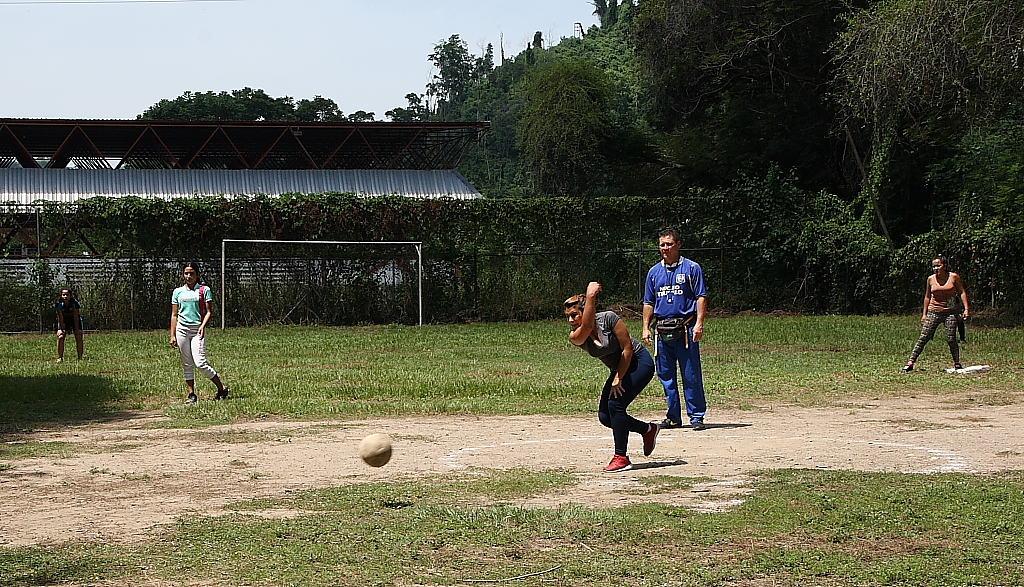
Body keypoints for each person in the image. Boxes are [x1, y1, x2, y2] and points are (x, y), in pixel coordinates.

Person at [565, 281, 660, 473]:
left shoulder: (608, 318)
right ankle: (648, 430)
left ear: (586, 311)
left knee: (615, 405)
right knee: (605, 416)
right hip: (619, 368)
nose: (571, 320)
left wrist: (619, 377)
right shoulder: (576, 336)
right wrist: (591, 296)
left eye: (574, 315)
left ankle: (621, 457)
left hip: (639, 361)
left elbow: (628, 349)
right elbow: (587, 326)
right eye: (567, 317)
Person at [642, 228, 708, 430]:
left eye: (669, 244)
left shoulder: (692, 268)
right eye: (662, 244)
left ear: (678, 244)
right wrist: (645, 327)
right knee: (666, 376)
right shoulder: (653, 273)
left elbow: (701, 296)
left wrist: (699, 324)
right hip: (662, 331)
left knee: (691, 374)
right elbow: (648, 302)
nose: (665, 248)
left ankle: (696, 416)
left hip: (686, 330)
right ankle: (673, 417)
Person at [171, 262, 230, 403]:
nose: (189, 276)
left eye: (192, 273)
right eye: (186, 273)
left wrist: (203, 326)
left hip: (197, 330)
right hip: (182, 330)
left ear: (197, 274)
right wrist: (172, 335)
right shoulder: (177, 292)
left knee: (200, 363)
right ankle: (191, 394)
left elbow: (209, 312)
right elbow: (174, 315)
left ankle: (221, 388)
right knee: (187, 363)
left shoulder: (204, 290)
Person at [902, 255, 970, 372]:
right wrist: (924, 314)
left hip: (950, 312)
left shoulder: (953, 277)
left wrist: (966, 309)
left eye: (938, 265)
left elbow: (962, 292)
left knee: (951, 338)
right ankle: (910, 362)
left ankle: (957, 362)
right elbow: (927, 296)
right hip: (934, 311)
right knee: (924, 337)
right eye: (934, 266)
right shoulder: (931, 279)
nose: (936, 268)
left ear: (945, 266)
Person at [55, 288, 84, 362]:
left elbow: (76, 316)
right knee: (61, 336)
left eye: (67, 295)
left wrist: (77, 329)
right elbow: (60, 317)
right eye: (63, 295)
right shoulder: (59, 304)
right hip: (64, 321)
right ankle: (60, 357)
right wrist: (62, 328)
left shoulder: (74, 304)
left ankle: (80, 357)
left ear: (70, 296)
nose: (65, 296)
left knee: (78, 336)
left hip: (74, 321)